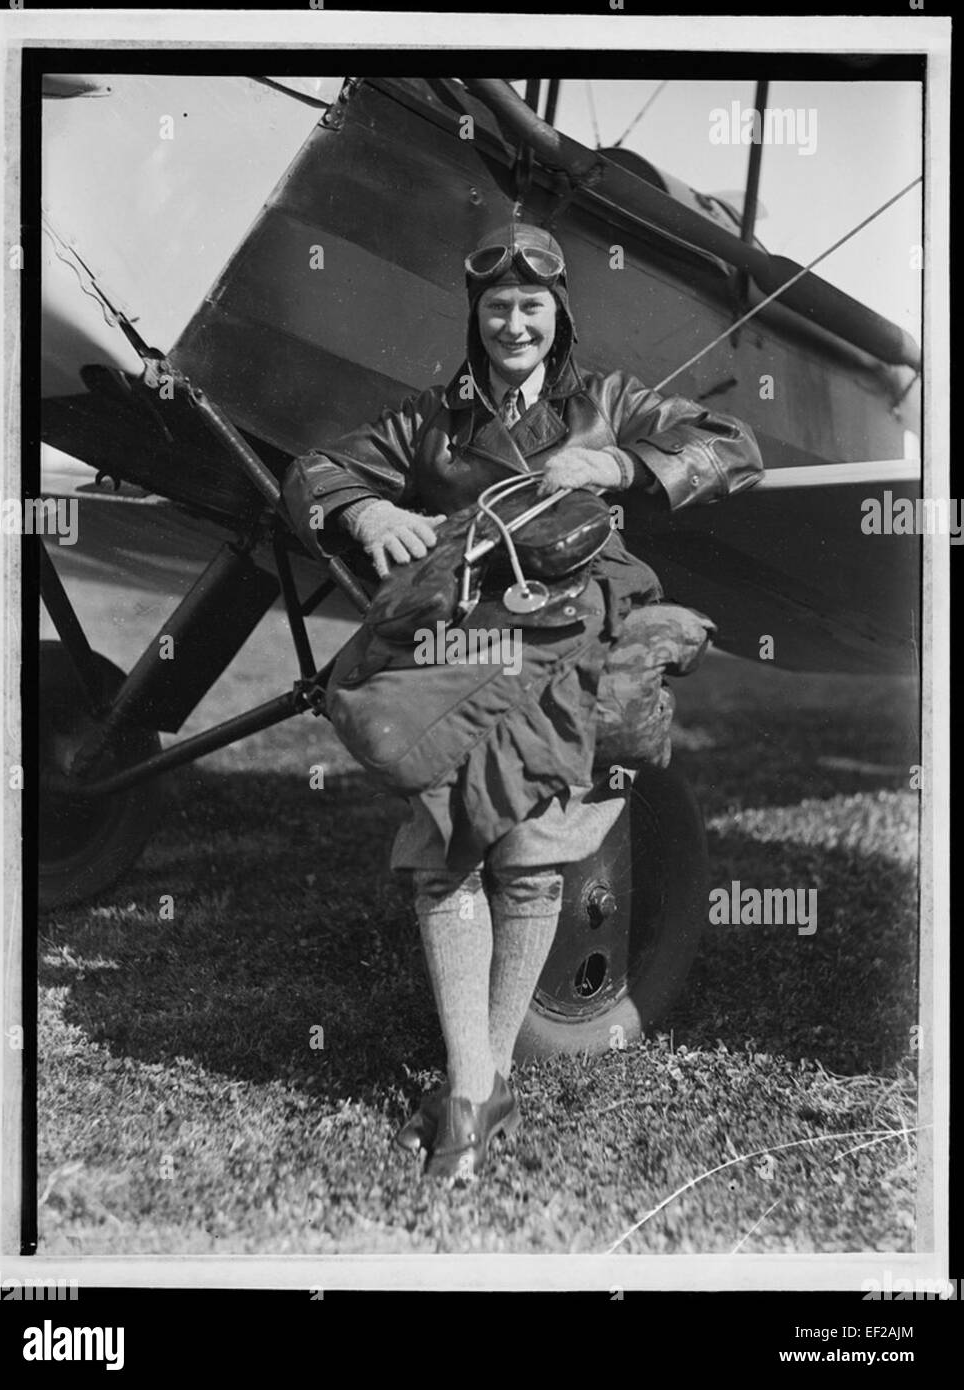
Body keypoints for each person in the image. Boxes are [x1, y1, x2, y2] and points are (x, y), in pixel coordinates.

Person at [281, 221, 763, 1180]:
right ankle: (474, 1081)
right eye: (496, 307)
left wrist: (621, 464)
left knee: (534, 860)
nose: (512, 323)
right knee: (446, 855)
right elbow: (313, 470)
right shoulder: (433, 418)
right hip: (464, 647)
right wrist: (368, 508)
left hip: (572, 645)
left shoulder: (606, 400)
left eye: (530, 307)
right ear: (475, 317)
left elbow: (732, 442)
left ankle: (479, 1084)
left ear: (558, 316)